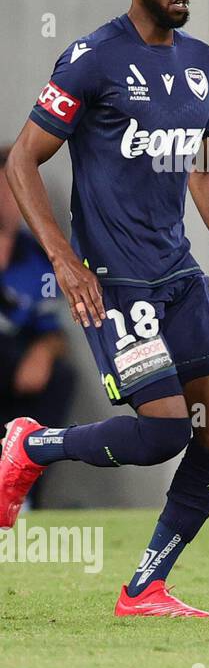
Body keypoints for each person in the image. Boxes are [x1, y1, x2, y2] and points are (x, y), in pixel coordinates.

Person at [0, 0, 209, 618]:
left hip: (178, 274)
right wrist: (64, 260)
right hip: (116, 281)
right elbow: (23, 157)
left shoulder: (202, 62)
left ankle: (146, 586)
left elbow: (203, 165)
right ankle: (33, 443)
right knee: (166, 429)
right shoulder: (91, 58)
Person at [0, 145, 76, 504]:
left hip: (17, 365)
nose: (8, 200)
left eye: (15, 189)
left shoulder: (38, 260)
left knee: (60, 375)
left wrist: (44, 352)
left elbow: (54, 329)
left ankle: (23, 490)